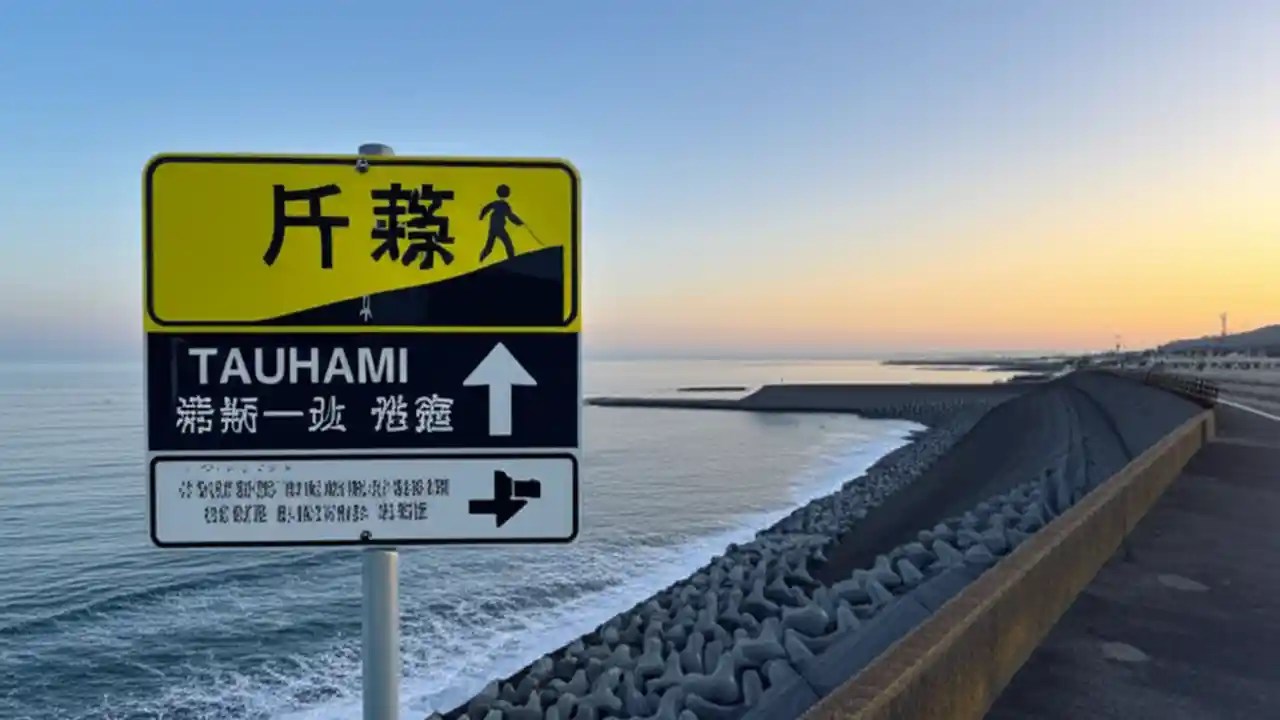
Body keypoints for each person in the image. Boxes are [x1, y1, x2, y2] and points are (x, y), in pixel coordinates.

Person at [478, 184, 523, 261]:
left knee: (489, 246)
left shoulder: (498, 204)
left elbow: (486, 208)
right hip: (499, 229)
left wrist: (482, 216)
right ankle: (511, 259)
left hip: (493, 229)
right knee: (508, 244)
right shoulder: (504, 205)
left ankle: (481, 258)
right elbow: (510, 216)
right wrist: (519, 222)